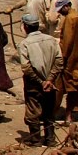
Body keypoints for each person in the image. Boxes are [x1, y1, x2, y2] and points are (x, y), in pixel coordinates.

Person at [18, 14, 64, 146]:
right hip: (51, 82)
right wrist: (50, 80)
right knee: (49, 112)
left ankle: (35, 140)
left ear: (26, 27)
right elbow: (59, 61)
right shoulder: (51, 40)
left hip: (34, 84)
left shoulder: (24, 44)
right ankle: (50, 139)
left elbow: (26, 68)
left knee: (33, 112)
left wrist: (42, 82)